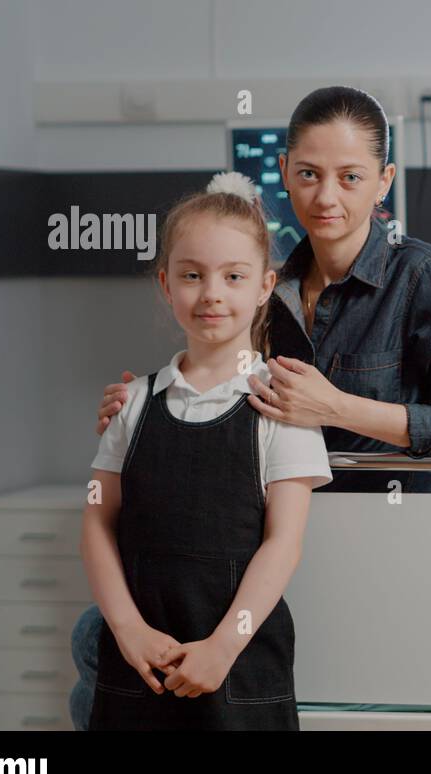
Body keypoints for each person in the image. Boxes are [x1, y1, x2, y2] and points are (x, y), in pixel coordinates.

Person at [71, 86, 431, 729]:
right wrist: (148, 410)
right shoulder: (265, 283)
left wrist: (337, 408)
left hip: (353, 540)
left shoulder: (421, 276)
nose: (327, 197)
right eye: (308, 175)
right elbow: (217, 378)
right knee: (97, 643)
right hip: (241, 528)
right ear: (283, 176)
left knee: (103, 654)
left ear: (384, 181)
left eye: (351, 177)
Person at [81, 172, 331, 730]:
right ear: (167, 286)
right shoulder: (131, 403)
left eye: (233, 276)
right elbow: (97, 523)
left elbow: (283, 544)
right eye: (192, 275)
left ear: (265, 286)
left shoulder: (281, 407)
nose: (212, 292)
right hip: (137, 667)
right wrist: (127, 629)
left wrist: (223, 646)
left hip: (238, 670)